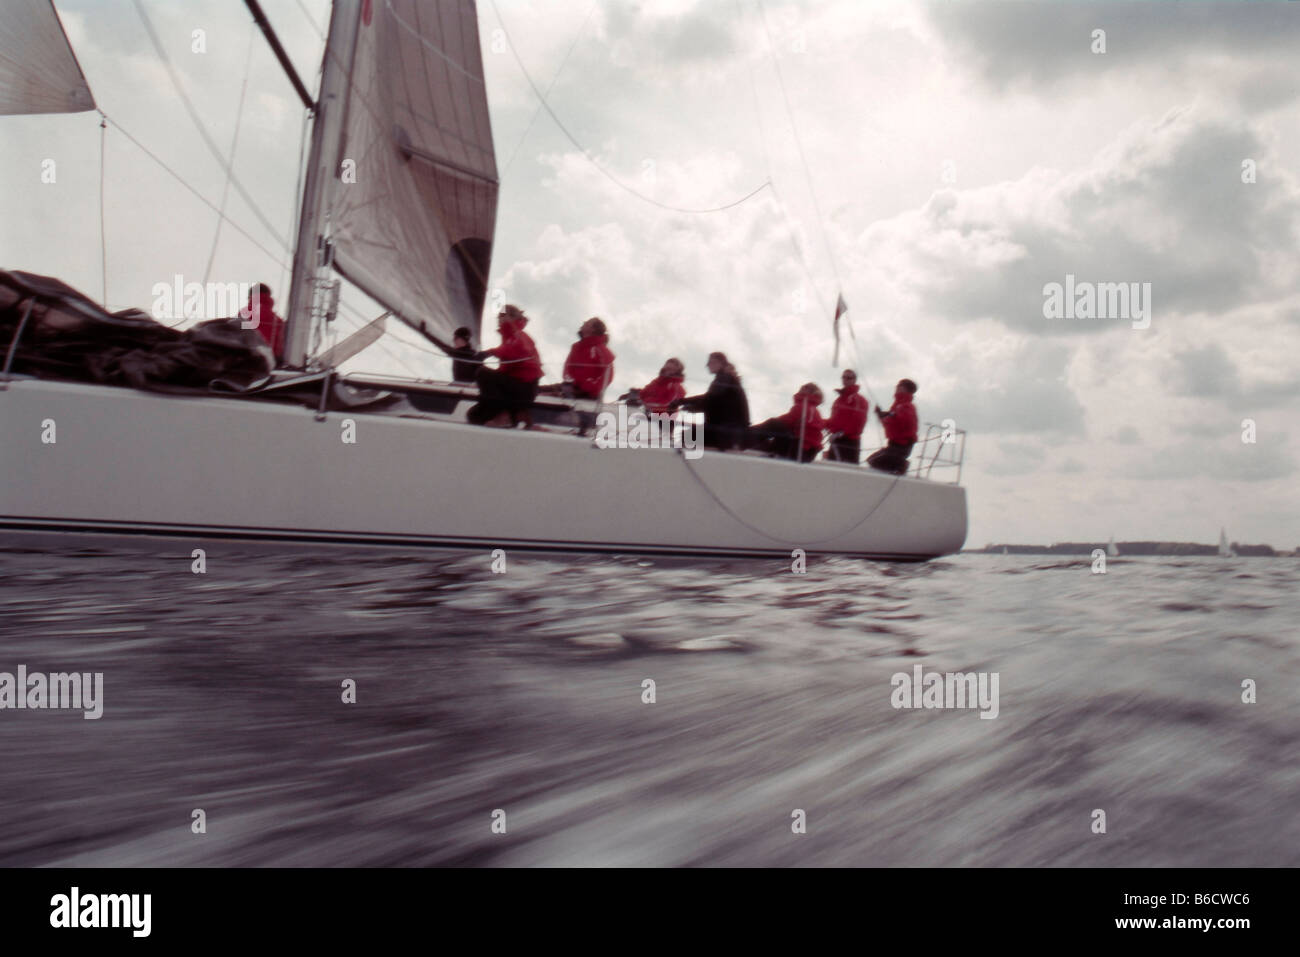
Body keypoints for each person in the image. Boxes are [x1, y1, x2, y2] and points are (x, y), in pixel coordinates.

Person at [467, 305, 542, 427]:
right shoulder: (510, 338)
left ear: (510, 317)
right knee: (474, 416)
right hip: (516, 387)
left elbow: (518, 351)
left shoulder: (520, 335)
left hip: (524, 388)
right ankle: (516, 414)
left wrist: (490, 352)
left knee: (483, 374)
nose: (498, 319)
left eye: (501, 316)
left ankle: (504, 414)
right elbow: (507, 366)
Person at [671, 352, 749, 451]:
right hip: (730, 431)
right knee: (690, 434)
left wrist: (689, 406)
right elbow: (709, 398)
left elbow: (710, 399)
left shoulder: (724, 378)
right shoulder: (726, 379)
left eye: (711, 362)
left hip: (725, 432)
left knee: (688, 435)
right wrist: (682, 402)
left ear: (720, 363)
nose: (707, 365)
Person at [748, 383, 826, 462]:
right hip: (806, 452)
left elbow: (785, 420)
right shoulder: (813, 410)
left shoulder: (804, 406)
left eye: (805, 388)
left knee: (774, 424)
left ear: (811, 392)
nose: (801, 389)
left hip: (800, 451)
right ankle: (752, 443)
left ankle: (742, 437)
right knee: (773, 430)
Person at [623, 357, 686, 443]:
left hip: (662, 422)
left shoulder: (677, 387)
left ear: (677, 372)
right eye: (666, 368)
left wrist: (647, 404)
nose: (668, 371)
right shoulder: (656, 382)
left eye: (671, 369)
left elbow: (669, 404)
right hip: (649, 417)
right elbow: (643, 393)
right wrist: (633, 395)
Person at [867, 378, 919, 474]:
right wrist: (881, 415)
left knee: (876, 461)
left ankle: (902, 464)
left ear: (905, 389)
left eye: (899, 386)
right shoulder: (897, 406)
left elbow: (904, 422)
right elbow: (890, 424)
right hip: (893, 445)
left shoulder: (907, 406)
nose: (897, 387)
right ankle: (897, 467)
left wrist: (889, 415)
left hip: (901, 446)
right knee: (872, 460)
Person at [560, 317, 615, 400]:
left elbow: (608, 373)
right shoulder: (576, 347)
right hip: (570, 388)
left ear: (593, 329)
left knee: (546, 397)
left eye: (588, 322)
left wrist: (590, 388)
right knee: (539, 392)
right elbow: (567, 368)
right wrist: (569, 382)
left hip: (587, 394)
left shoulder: (600, 349)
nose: (584, 322)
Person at [825, 369, 869, 463]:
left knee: (846, 472)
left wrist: (842, 433)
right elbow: (833, 421)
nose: (845, 380)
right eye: (844, 377)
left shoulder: (860, 400)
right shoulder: (838, 400)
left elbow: (858, 423)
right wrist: (819, 424)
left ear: (854, 380)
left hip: (849, 443)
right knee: (830, 471)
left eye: (849, 378)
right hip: (836, 441)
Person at [238, 283, 285, 364]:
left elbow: (237, 335)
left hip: (248, 359)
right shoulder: (278, 320)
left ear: (251, 296)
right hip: (273, 361)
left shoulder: (246, 313)